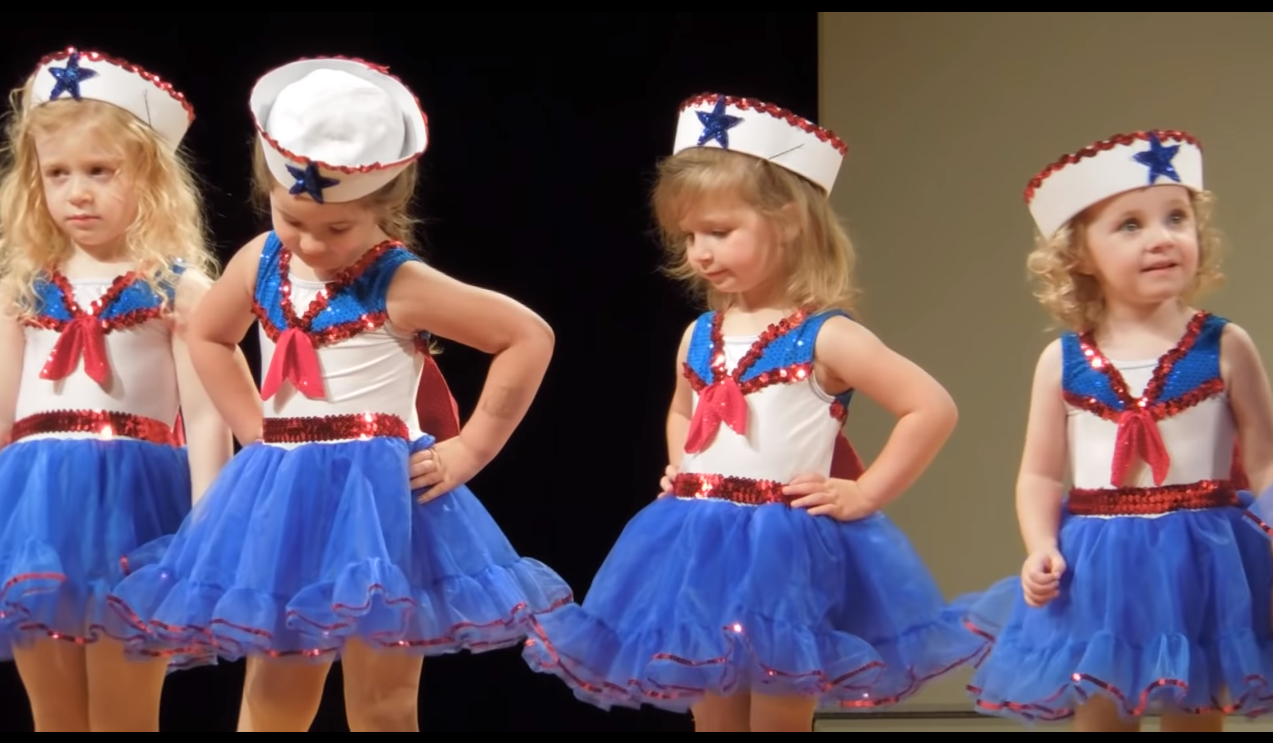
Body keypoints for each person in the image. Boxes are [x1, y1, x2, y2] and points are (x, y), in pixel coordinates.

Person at [105, 56, 573, 732]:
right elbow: (210, 338)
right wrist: (254, 427)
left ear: (386, 206)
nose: (310, 242)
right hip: (285, 496)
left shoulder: (400, 281)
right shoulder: (260, 259)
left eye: (337, 229)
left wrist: (468, 449)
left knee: (382, 699)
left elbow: (525, 337)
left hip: (379, 501)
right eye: (293, 218)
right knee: (274, 692)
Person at [522, 93, 983, 732]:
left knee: (777, 714)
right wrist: (682, 463)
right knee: (709, 710)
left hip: (781, 548)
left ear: (789, 220)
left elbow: (930, 407)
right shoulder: (700, 334)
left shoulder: (826, 336)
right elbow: (683, 409)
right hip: (694, 538)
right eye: (689, 236)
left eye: (719, 231)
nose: (700, 252)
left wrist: (865, 493)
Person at [955, 130, 1273, 731]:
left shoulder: (1226, 345)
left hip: (1204, 557)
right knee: (1101, 708)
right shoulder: (1064, 361)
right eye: (1130, 225)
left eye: (1176, 217)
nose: (1162, 238)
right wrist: (1041, 546)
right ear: (1078, 254)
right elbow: (1041, 472)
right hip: (1098, 562)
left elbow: (1263, 458)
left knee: (1195, 700)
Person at [0, 47, 231, 731]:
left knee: (126, 712)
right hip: (34, 509)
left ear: (152, 176)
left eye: (101, 171)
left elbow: (208, 416)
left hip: (138, 508)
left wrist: (207, 534)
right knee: (54, 714)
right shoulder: (18, 290)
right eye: (58, 173)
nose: (78, 192)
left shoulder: (182, 288)